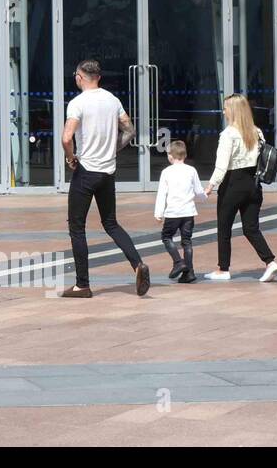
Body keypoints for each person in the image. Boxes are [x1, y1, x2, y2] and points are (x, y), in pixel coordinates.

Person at [60, 59, 150, 298]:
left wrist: (71, 159)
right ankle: (138, 264)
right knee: (110, 223)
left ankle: (82, 284)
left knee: (77, 227)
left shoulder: (77, 103)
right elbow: (129, 130)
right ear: (98, 77)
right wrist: (112, 150)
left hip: (86, 171)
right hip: (108, 172)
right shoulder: (113, 101)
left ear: (80, 77)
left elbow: (67, 138)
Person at [205, 94, 277, 282]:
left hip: (232, 184)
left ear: (233, 111)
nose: (223, 111)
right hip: (254, 184)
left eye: (225, 108)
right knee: (251, 228)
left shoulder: (228, 134)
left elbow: (222, 165)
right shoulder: (257, 132)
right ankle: (270, 262)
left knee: (224, 228)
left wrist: (211, 185)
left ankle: (223, 269)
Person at [154, 140, 207, 284]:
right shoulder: (191, 170)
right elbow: (198, 191)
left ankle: (178, 262)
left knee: (166, 237)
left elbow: (161, 194)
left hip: (173, 213)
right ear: (184, 155)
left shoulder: (166, 172)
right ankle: (189, 273)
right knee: (187, 241)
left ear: (170, 156)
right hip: (188, 212)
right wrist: (205, 195)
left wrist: (158, 213)